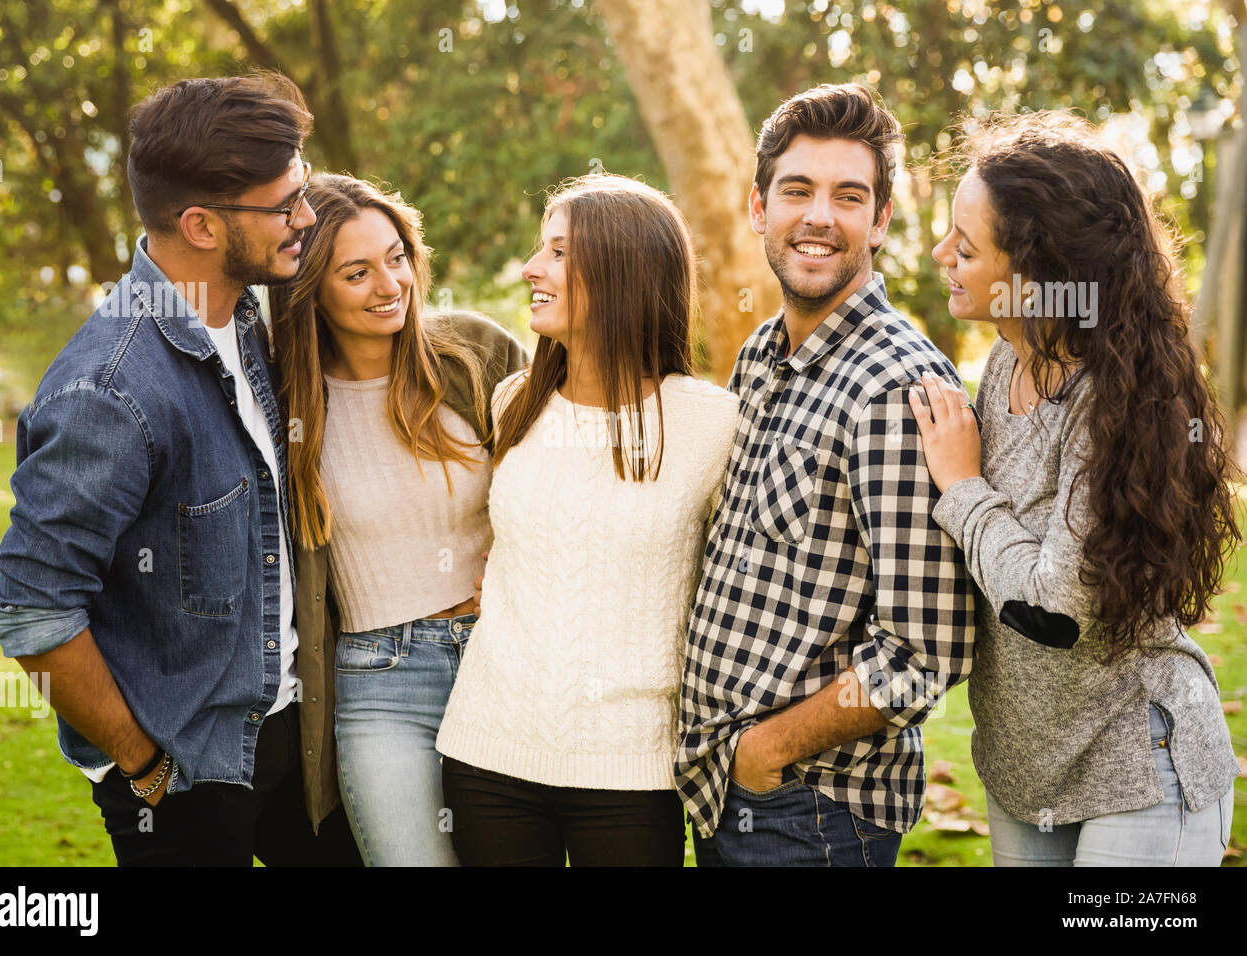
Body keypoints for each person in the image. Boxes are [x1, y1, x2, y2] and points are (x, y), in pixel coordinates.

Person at [0, 73, 361, 865]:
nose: (307, 219)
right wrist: (142, 764)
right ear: (199, 225)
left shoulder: (252, 316)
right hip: (184, 776)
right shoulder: (110, 390)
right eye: (285, 205)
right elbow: (32, 610)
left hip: (288, 731)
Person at [910, 111, 1238, 866]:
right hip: (1024, 772)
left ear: (1039, 271)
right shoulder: (1001, 367)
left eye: (966, 246)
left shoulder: (1118, 404)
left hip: (1142, 769)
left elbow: (1056, 612)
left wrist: (961, 487)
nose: (940, 255)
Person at [677, 83, 978, 867]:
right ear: (758, 206)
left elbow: (925, 652)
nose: (819, 217)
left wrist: (768, 750)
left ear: (880, 220)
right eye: (798, 191)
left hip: (813, 814)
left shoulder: (893, 387)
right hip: (731, 791)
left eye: (849, 196)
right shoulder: (759, 353)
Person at [435, 173, 740, 866]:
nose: (530, 269)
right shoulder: (515, 399)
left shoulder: (711, 422)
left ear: (626, 270)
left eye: (559, 252)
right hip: (489, 749)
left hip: (632, 769)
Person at [269, 174, 528, 866]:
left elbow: (564, 481)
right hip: (375, 681)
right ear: (311, 288)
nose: (390, 284)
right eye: (357, 272)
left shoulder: (474, 354)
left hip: (501, 657)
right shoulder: (286, 401)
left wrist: (508, 578)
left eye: (397, 257)